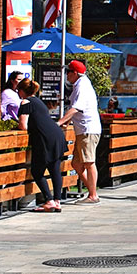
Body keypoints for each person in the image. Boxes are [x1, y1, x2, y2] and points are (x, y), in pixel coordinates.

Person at [19, 76, 68, 211]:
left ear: (22, 91)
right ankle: (57, 201)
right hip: (56, 135)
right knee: (54, 169)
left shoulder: (25, 102)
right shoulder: (39, 102)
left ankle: (49, 200)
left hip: (44, 138)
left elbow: (23, 125)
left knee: (37, 171)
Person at [56, 59, 102, 204]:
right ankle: (92, 191)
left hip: (87, 129)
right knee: (76, 164)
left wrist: (60, 122)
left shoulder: (82, 86)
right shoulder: (80, 84)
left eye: (68, 71)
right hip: (82, 130)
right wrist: (67, 122)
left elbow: (77, 108)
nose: (67, 74)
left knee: (89, 162)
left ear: (75, 73)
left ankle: (93, 195)